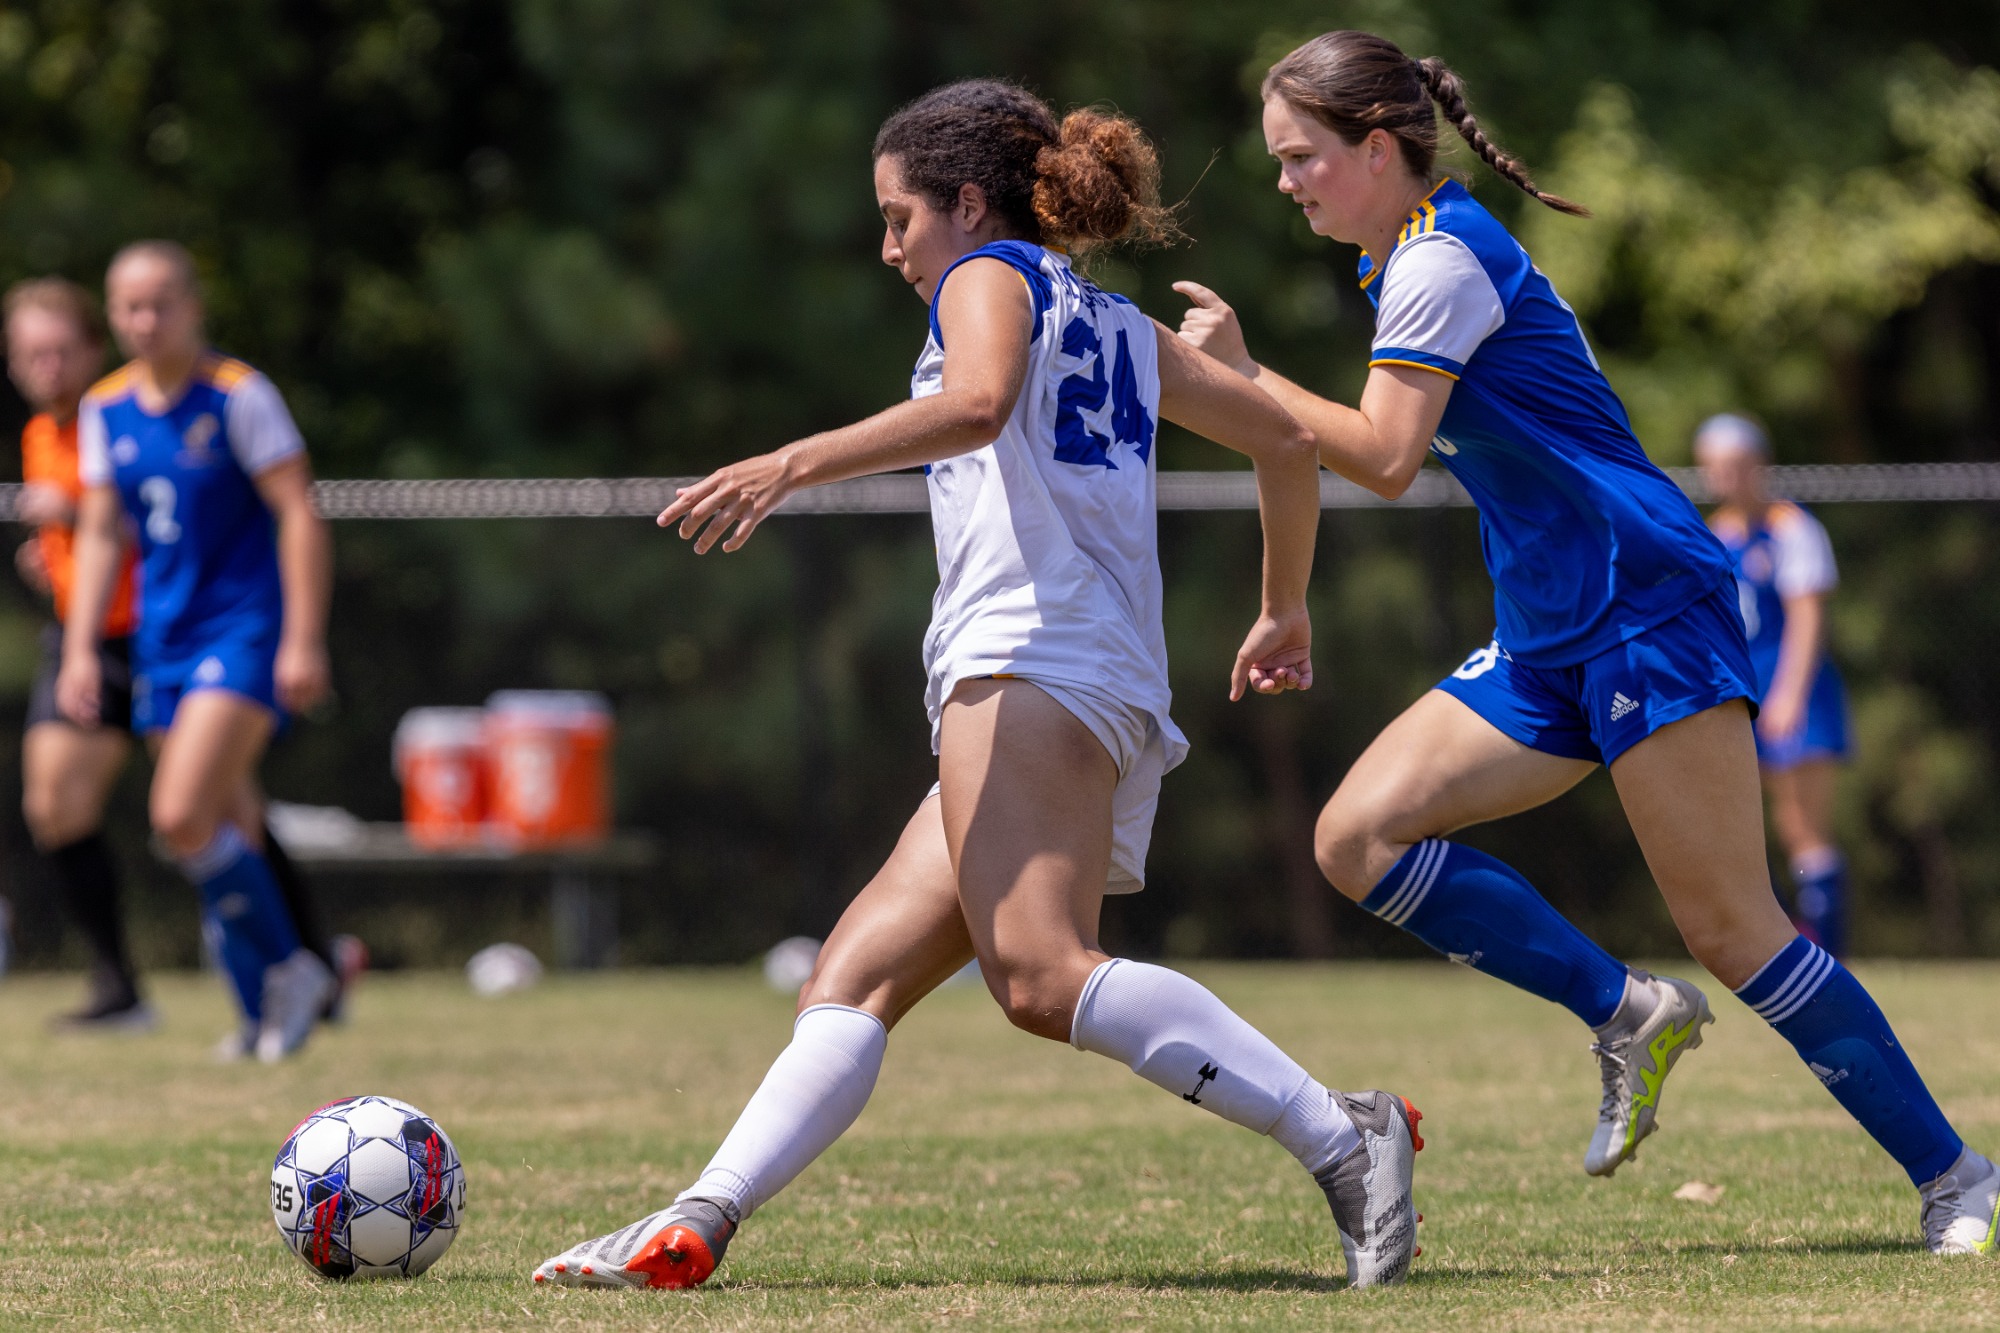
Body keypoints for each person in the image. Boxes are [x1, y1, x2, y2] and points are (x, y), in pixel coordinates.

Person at [534, 80, 1425, 1293]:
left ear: (965, 202)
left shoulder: (984, 277)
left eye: (899, 216)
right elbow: (1282, 438)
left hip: (1028, 667)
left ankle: (1342, 1132)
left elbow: (975, 404)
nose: (890, 246)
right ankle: (694, 1220)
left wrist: (789, 462)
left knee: (1039, 974)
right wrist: (1282, 601)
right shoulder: (1111, 320)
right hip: (1081, 671)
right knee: (851, 979)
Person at [1173, 30, 1995, 1256]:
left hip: (1643, 602)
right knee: (1355, 838)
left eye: (1301, 157)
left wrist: (1244, 381)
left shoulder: (1441, 259)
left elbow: (1385, 459)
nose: (1285, 181)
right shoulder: (1400, 259)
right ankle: (1622, 1008)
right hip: (1549, 628)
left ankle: (1957, 1177)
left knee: (1734, 929)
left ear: (1381, 147)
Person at [59, 240, 340, 1063]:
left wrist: (303, 636)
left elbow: (297, 511)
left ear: (194, 305)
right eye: (130, 307)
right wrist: (82, 648)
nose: (146, 321)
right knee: (229, 818)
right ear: (112, 316)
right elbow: (104, 533)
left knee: (179, 813)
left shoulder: (239, 395)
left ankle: (295, 968)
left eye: (162, 303)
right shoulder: (104, 406)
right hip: (162, 636)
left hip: (243, 629)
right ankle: (262, 1012)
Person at [5, 277, 149, 1028]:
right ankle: (118, 985)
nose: (47, 366)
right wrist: (51, 553)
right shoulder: (39, 433)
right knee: (52, 807)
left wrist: (81, 517)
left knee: (212, 809)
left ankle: (310, 961)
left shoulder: (120, 418)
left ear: (94, 348)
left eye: (61, 350)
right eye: (31, 353)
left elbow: (160, 519)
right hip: (79, 634)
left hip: (149, 631)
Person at [1697, 414, 1852, 957]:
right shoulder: (1717, 533)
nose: (1725, 477)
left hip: (1793, 693)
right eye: (1714, 467)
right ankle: (1788, 950)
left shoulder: (1792, 527)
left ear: (1758, 464)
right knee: (1753, 829)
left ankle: (1829, 956)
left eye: (1735, 465)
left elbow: (1807, 616)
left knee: (1801, 826)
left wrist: (1789, 693)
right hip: (1745, 696)